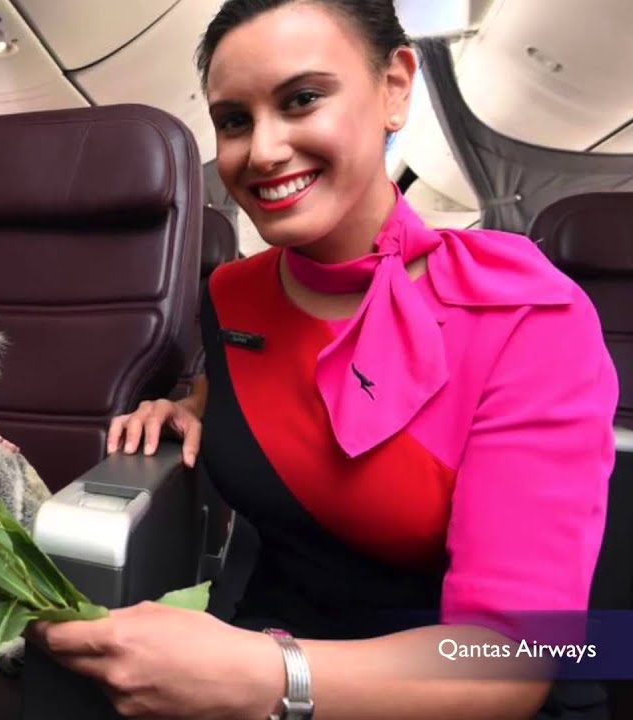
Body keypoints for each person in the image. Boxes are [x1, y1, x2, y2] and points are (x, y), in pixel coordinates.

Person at [33, 1, 618, 718]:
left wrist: (266, 678)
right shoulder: (231, 294)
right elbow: (258, 392)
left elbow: (510, 664)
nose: (264, 150)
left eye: (302, 99)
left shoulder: (529, 315)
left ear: (396, 87)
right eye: (235, 121)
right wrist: (187, 409)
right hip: (262, 633)